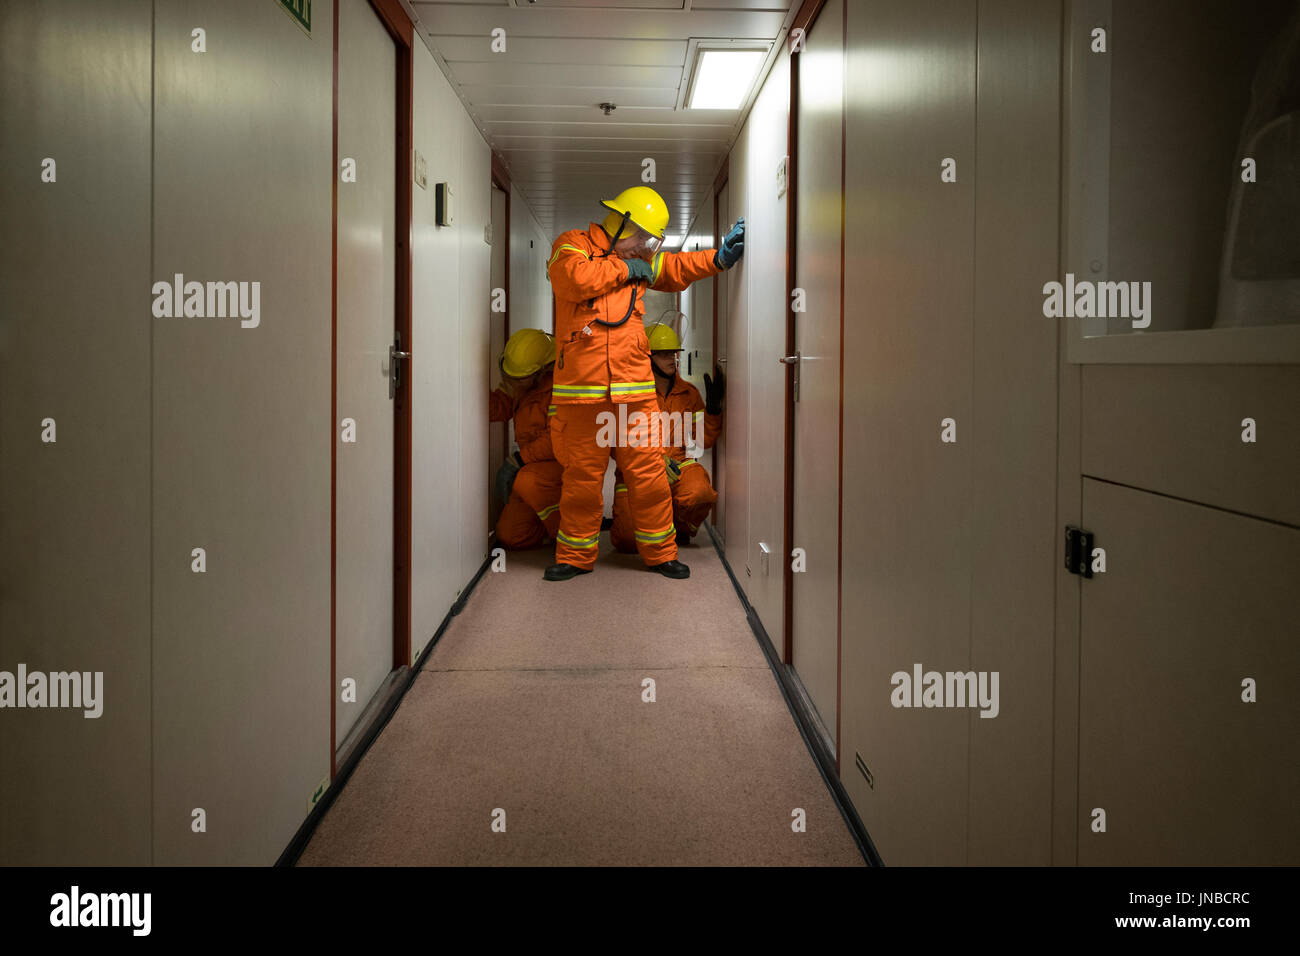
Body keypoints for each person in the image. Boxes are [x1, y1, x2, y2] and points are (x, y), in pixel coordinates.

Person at [544, 185, 745, 581]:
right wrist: (625, 269)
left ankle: (661, 554)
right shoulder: (572, 244)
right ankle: (574, 557)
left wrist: (719, 259)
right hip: (581, 397)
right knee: (582, 481)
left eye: (650, 241)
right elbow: (571, 280)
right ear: (621, 223)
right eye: (642, 237)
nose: (646, 248)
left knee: (650, 477)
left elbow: (676, 269)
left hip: (634, 393)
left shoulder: (641, 260)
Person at [610, 322, 723, 552]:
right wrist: (649, 460)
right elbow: (614, 445)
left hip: (676, 465)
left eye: (673, 353)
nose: (671, 358)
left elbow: (703, 440)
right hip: (637, 470)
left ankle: (679, 527)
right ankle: (650, 519)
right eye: (663, 354)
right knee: (627, 541)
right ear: (648, 358)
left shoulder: (688, 393)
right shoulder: (630, 394)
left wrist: (712, 411)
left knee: (700, 492)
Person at [490, 328, 561, 549]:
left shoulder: (561, 388)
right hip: (533, 468)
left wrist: (518, 460)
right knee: (511, 535)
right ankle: (554, 520)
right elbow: (500, 407)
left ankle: (570, 533)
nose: (513, 383)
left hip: (562, 466)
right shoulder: (523, 385)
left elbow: (557, 440)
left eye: (519, 379)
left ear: (542, 371)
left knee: (526, 480)